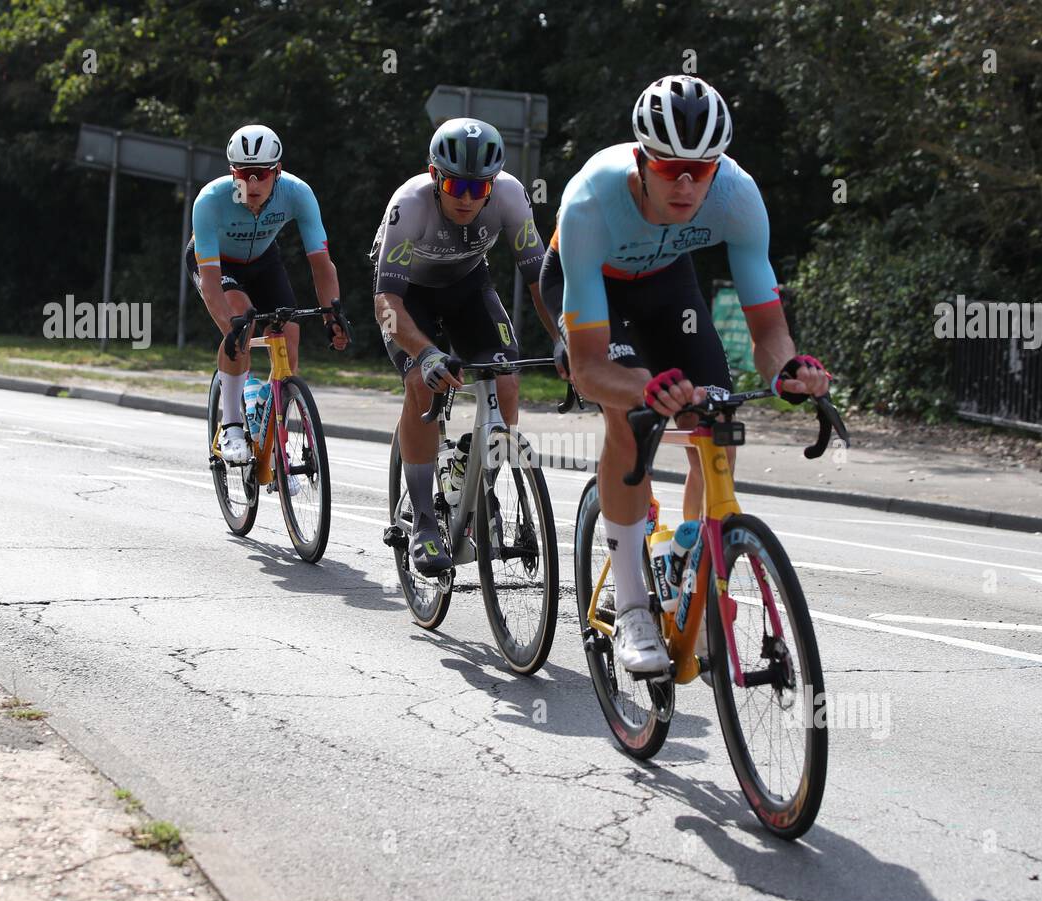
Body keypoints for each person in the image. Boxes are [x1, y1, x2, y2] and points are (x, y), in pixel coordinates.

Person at [540, 76, 831, 676]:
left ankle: (687, 554)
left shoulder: (738, 195)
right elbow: (593, 368)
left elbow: (769, 332)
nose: (684, 183)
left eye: (700, 171)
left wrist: (790, 372)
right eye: (670, 166)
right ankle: (633, 608)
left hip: (668, 284)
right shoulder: (590, 201)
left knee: (713, 415)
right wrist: (640, 387)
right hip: (595, 284)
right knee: (632, 412)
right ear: (641, 160)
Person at [371, 117, 560, 575]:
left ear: (495, 184)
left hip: (468, 286)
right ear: (435, 175)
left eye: (480, 188)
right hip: (406, 295)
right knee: (423, 383)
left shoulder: (513, 197)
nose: (467, 197)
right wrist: (425, 351)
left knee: (508, 382)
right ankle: (422, 522)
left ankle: (468, 479)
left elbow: (539, 280)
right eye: (456, 184)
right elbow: (387, 302)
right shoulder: (409, 206)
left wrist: (563, 339)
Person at [188, 123, 349, 475]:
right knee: (242, 319)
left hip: (263, 260)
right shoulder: (210, 201)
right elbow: (212, 284)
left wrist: (332, 315)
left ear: (277, 171)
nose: (252, 184)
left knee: (290, 330)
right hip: (218, 264)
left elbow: (321, 265)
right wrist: (230, 330)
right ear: (232, 172)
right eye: (243, 175)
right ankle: (231, 425)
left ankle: (276, 437)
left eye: (261, 174)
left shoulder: (297, 193)